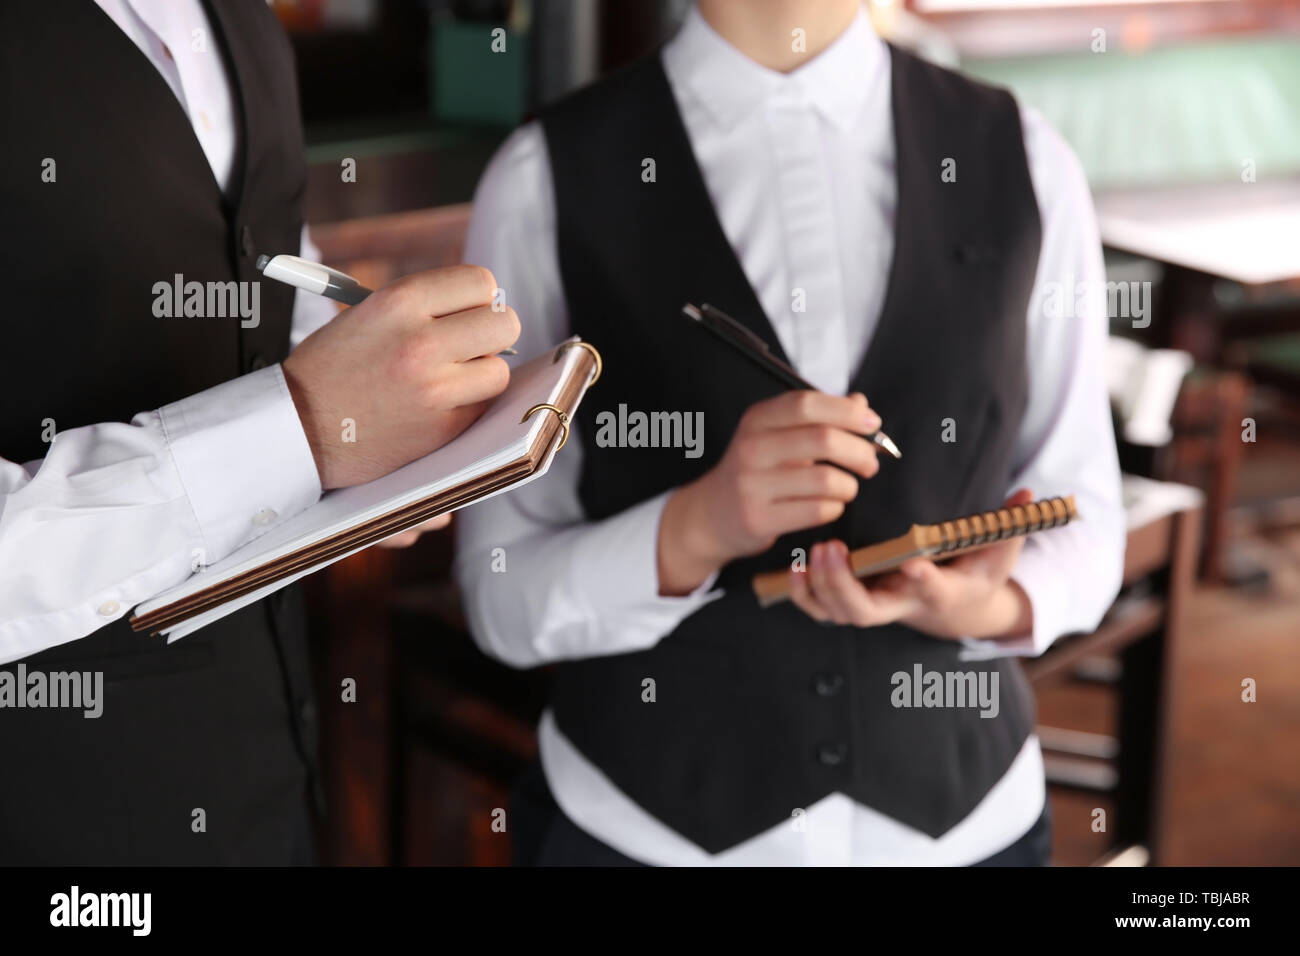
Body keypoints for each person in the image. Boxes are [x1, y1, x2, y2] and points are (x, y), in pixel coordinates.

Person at [455, 0, 1125, 865]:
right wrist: (693, 529)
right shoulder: (543, 177)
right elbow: (497, 589)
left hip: (975, 829)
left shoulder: (1025, 155)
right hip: (643, 833)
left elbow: (1088, 513)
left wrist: (985, 606)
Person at [0, 0, 518, 864]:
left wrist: (381, 421)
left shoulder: (241, 19)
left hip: (265, 769)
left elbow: (260, 268)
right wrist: (304, 431)